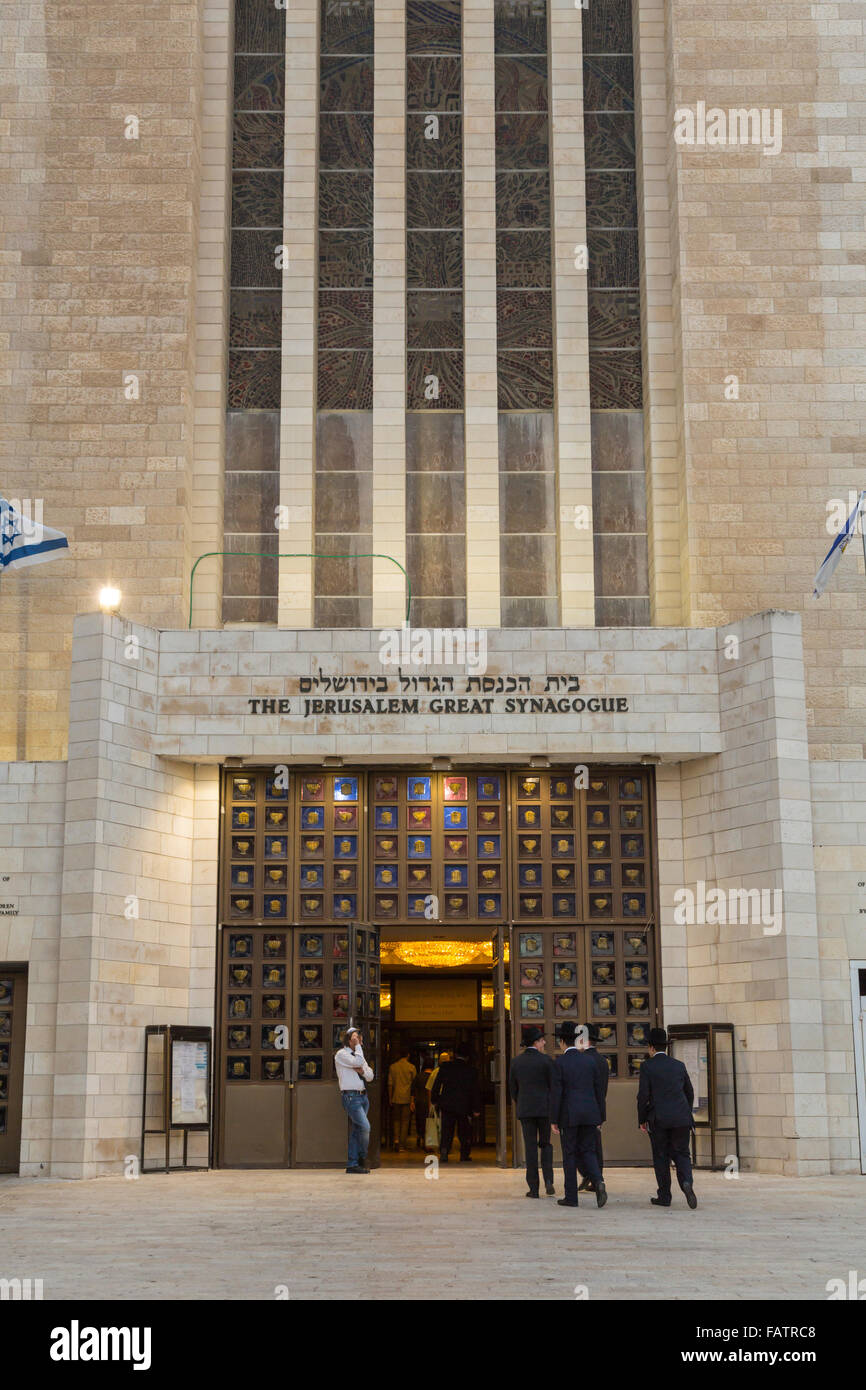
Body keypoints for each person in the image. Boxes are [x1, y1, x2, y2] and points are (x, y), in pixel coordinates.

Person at [637, 1027, 697, 1208]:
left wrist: (641, 1119)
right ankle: (687, 1182)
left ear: (652, 1047)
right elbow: (689, 1091)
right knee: (682, 1153)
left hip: (659, 1120)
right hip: (681, 1118)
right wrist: (685, 1110)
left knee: (661, 1156)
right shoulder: (679, 1065)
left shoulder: (647, 1066)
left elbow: (643, 1096)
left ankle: (664, 1196)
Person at [550, 1020, 607, 1208]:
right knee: (589, 1150)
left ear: (562, 1042)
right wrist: (599, 1115)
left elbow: (557, 1094)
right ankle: (598, 1180)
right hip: (590, 1113)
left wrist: (554, 1120)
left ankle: (571, 1197)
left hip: (570, 1115)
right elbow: (599, 1091)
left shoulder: (560, 1063)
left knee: (570, 1155)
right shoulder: (590, 1061)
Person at [509, 1025, 555, 1198]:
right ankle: (549, 1180)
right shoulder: (547, 1061)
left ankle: (533, 1188)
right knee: (546, 1144)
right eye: (542, 1040)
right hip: (544, 1109)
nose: (544, 1043)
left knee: (530, 1148)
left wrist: (520, 1101)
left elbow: (513, 1088)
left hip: (526, 1109)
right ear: (536, 1042)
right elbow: (553, 1086)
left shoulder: (516, 1062)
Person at [334, 1026, 374, 1174]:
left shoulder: (359, 1055)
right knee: (365, 1127)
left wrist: (363, 1071)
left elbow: (370, 1076)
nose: (360, 1043)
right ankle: (362, 1157)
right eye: (357, 1039)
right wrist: (358, 1051)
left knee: (357, 1130)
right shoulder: (341, 1054)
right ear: (349, 1040)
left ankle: (352, 1164)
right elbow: (357, 1062)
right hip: (351, 1097)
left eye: (360, 1040)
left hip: (363, 1096)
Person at [431, 1045, 481, 1162]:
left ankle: (444, 1151)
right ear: (467, 1057)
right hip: (465, 1105)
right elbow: (475, 1091)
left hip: (447, 1104)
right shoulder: (471, 1070)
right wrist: (476, 1108)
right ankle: (464, 1154)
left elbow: (437, 1085)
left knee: (447, 1130)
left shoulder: (445, 1067)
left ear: (455, 1055)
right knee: (464, 1131)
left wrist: (435, 1100)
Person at [577, 1022, 608, 1194]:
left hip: (583, 1110)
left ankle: (593, 1177)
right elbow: (602, 1090)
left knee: (581, 1146)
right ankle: (596, 1178)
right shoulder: (602, 1061)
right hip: (597, 1109)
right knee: (596, 1146)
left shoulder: (585, 1060)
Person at [387, 1048, 417, 1152]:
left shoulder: (393, 1067)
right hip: (407, 1098)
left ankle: (396, 1139)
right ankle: (401, 1145)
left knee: (396, 1120)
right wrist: (413, 1100)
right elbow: (414, 1085)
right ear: (408, 1055)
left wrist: (390, 1097)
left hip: (396, 1097)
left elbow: (390, 1084)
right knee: (405, 1121)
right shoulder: (411, 1067)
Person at [413, 1054, 434, 1150]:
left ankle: (420, 1137)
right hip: (431, 1102)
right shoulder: (434, 1076)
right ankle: (428, 1142)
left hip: (420, 1102)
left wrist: (412, 1101)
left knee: (420, 1121)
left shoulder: (418, 1076)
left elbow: (413, 1090)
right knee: (430, 1122)